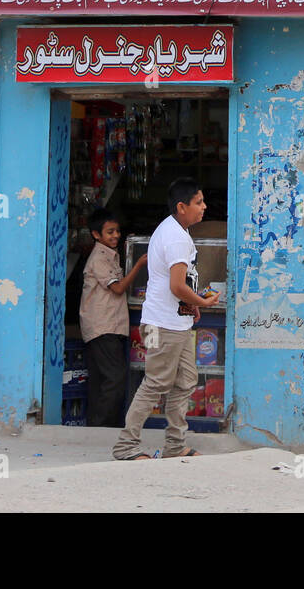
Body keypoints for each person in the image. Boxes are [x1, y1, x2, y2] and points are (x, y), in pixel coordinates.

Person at [113, 178, 220, 460]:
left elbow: (178, 284)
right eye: (199, 202)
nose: (204, 207)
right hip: (162, 325)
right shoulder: (175, 237)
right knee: (157, 383)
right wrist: (202, 302)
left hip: (175, 323)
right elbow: (177, 286)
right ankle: (126, 446)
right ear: (182, 207)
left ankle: (174, 445)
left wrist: (190, 306)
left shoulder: (176, 231)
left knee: (185, 381)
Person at [80, 208, 147, 427]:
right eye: (110, 232)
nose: (115, 235)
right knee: (115, 379)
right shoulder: (99, 258)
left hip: (111, 325)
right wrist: (138, 265)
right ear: (96, 235)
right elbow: (118, 288)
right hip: (102, 326)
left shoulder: (111, 255)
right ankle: (101, 426)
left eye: (117, 231)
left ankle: (97, 426)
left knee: (102, 380)